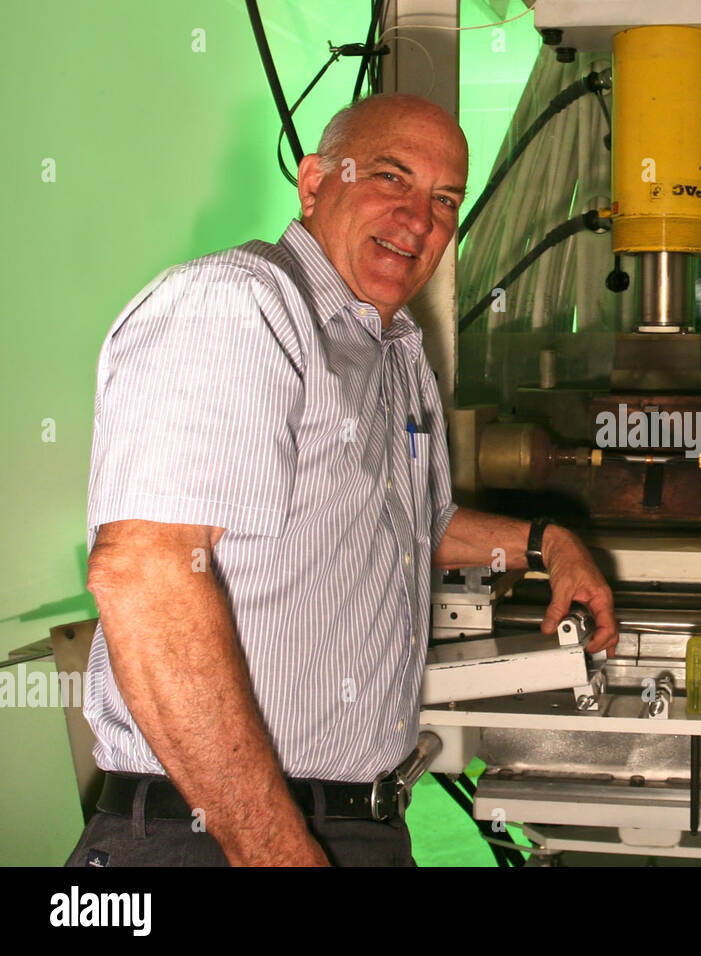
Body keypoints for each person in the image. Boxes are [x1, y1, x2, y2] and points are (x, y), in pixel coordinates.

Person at [66, 94, 617, 867]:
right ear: (315, 181)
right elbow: (143, 574)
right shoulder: (238, 307)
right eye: (391, 177)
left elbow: (405, 523)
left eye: (445, 198)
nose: (419, 218)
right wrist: (279, 852)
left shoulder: (392, 348)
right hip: (217, 835)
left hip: (354, 828)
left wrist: (546, 543)